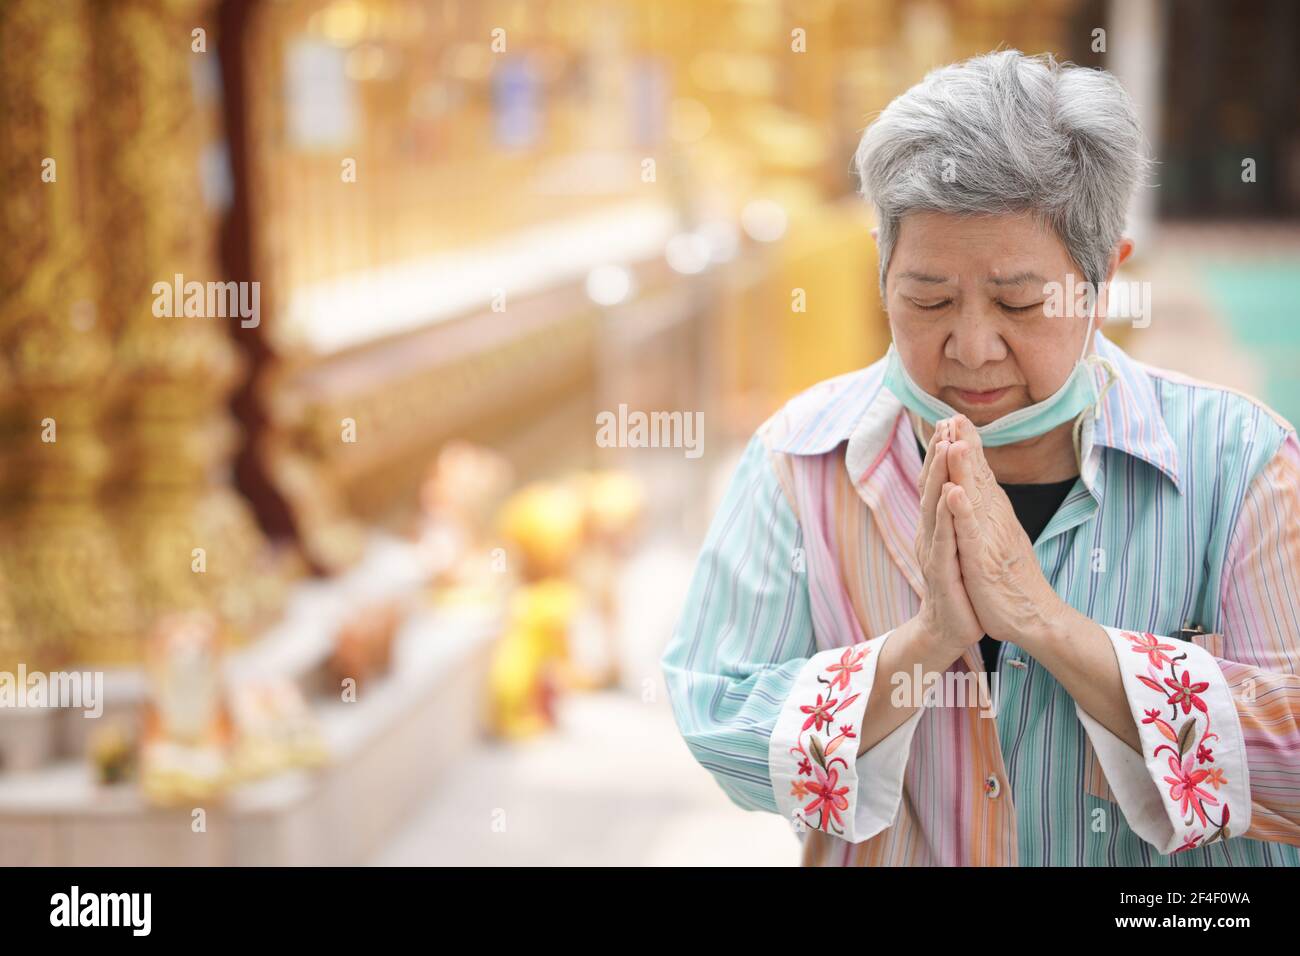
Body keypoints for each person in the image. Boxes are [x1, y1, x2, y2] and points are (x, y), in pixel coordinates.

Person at [661, 50, 1300, 866]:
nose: (971, 347)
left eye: (1018, 302)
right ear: (881, 266)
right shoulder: (801, 462)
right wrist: (922, 645)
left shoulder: (1241, 466)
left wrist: (1052, 629)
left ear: (1105, 275)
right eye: (927, 298)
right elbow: (719, 720)